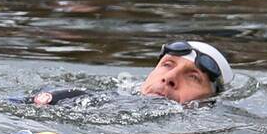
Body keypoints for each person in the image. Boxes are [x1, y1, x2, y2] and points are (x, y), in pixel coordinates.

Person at [26, 39, 234, 107]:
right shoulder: (93, 99)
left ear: (211, 99)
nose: (170, 78)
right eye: (167, 65)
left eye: (193, 77)